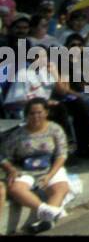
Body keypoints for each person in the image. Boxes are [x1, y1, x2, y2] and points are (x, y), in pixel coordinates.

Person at [0, 99, 74, 233]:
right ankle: (48, 212)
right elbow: (3, 157)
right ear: (27, 115)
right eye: (31, 113)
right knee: (15, 188)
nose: (35, 116)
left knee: (61, 187)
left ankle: (46, 222)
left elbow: (61, 154)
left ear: (46, 112)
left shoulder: (55, 129)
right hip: (25, 169)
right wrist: (10, 169)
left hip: (50, 167)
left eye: (39, 112)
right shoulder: (18, 134)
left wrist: (49, 176)